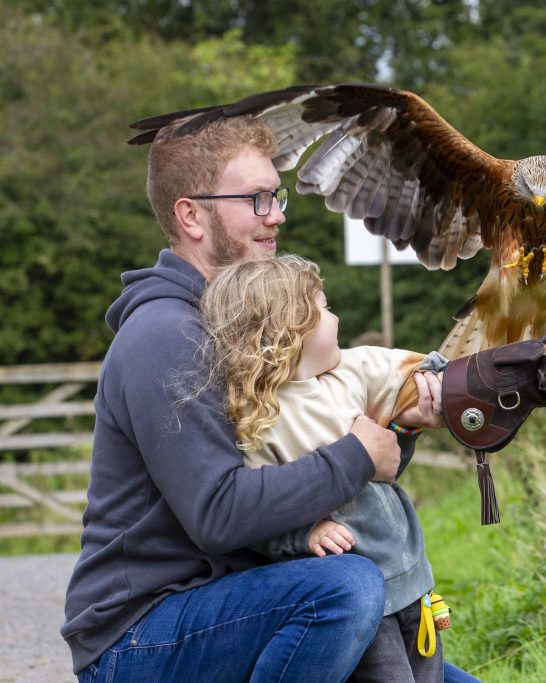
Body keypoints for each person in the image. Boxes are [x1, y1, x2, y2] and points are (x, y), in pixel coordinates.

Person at [61, 114, 477, 682]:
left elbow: (307, 450)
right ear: (191, 215)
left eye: (276, 196)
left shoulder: (248, 321)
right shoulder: (165, 337)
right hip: (142, 635)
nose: (277, 214)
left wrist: (395, 430)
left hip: (248, 597)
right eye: (257, 198)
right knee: (346, 589)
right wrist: (357, 456)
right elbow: (220, 513)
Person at [200, 253, 450, 682]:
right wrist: (306, 533)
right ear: (287, 331)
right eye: (324, 307)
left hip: (414, 583)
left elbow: (403, 382)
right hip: (365, 601)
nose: (336, 317)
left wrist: (414, 417)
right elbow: (258, 517)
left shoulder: (345, 377)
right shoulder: (259, 419)